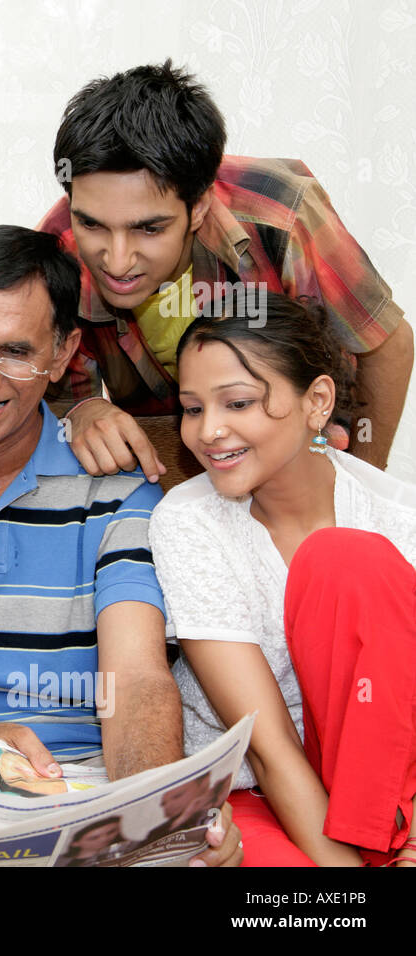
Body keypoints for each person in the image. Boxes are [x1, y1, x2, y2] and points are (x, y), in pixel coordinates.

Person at [0, 224, 240, 865]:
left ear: (63, 350)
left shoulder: (119, 491)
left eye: (16, 352)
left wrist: (154, 824)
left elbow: (133, 681)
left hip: (81, 791)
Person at [38, 60, 412, 477]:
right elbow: (35, 381)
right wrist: (83, 411)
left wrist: (360, 493)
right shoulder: (56, 249)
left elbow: (385, 346)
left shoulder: (282, 215)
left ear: (198, 206)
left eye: (149, 228)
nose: (117, 259)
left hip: (300, 461)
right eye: (91, 223)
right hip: (164, 470)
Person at [148, 294, 416, 866]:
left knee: (344, 560)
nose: (209, 431)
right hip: (255, 791)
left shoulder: (397, 519)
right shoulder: (188, 521)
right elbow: (267, 750)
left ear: (317, 401)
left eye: (237, 403)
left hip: (386, 797)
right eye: (192, 409)